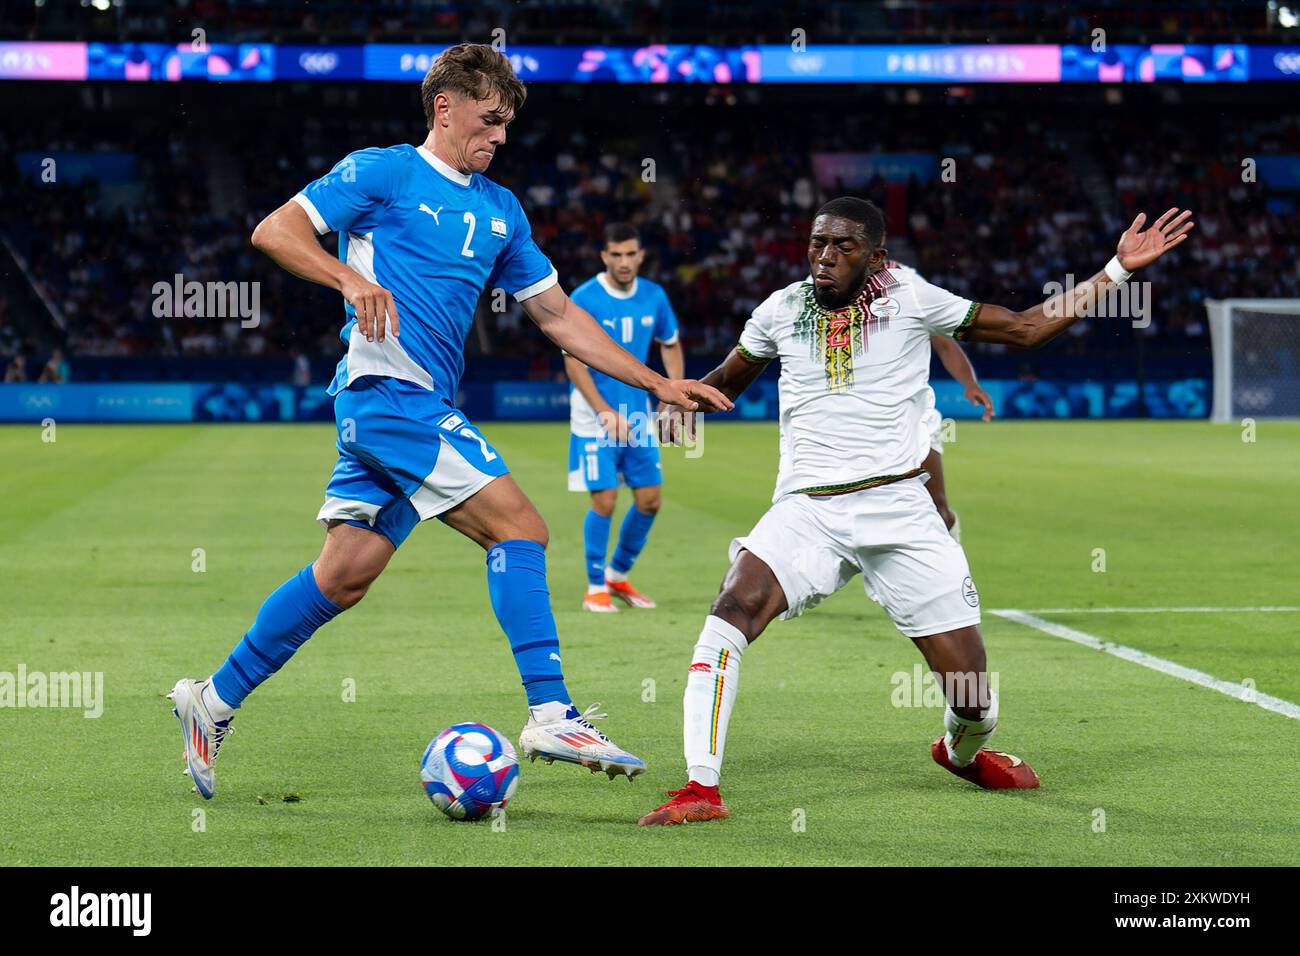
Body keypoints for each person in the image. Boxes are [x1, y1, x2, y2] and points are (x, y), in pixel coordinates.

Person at [166, 43, 731, 800]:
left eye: (507, 126)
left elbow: (560, 317)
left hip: (416, 404)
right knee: (521, 528)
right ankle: (551, 711)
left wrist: (659, 382)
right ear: (445, 106)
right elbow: (275, 230)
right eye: (490, 119)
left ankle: (211, 700)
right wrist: (348, 275)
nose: (499, 137)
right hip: (388, 395)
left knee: (343, 575)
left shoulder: (500, 210)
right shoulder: (383, 172)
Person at [640, 197, 1192, 825]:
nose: (825, 257)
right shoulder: (781, 310)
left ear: (875, 255)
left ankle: (959, 752)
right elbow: (727, 382)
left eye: (843, 247)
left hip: (900, 509)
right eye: (818, 243)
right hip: (807, 509)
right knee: (730, 610)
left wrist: (1116, 270)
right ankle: (700, 788)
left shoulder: (912, 298)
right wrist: (682, 403)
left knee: (974, 698)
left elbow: (1026, 326)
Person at [565, 223, 683, 612]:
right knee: (606, 500)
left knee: (650, 500)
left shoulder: (654, 296)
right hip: (594, 416)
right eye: (616, 254)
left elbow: (670, 344)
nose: (624, 261)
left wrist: (674, 396)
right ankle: (594, 585)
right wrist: (604, 412)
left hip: (639, 416)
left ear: (641, 255)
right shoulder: (585, 297)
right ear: (604, 257)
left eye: (631, 253)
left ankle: (618, 575)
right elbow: (574, 363)